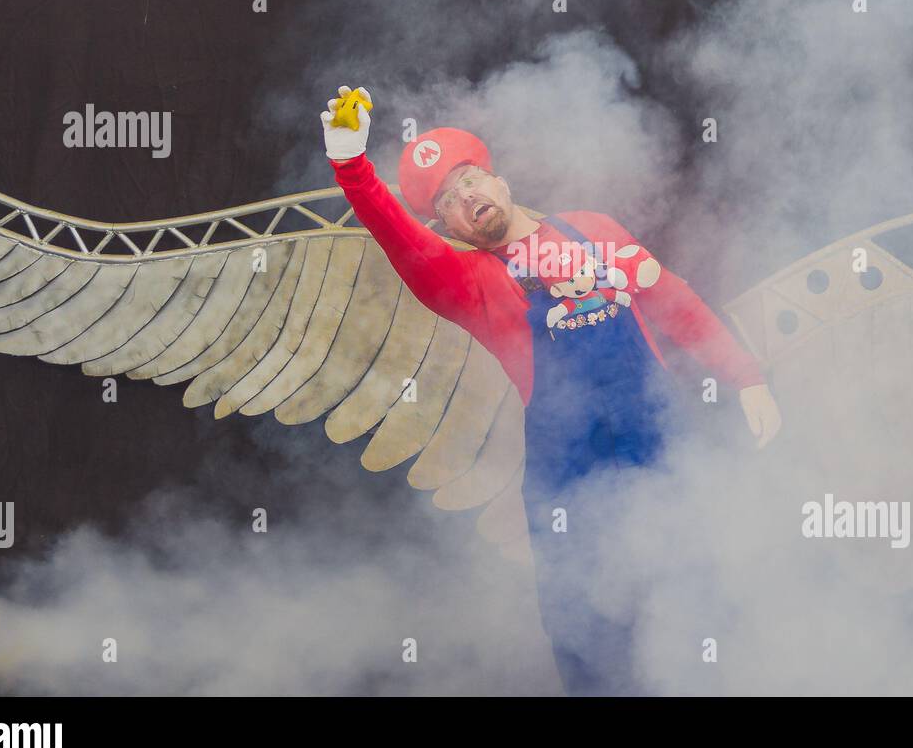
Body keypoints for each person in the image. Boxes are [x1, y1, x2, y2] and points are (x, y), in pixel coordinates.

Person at [321, 85, 781, 694]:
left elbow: (670, 298)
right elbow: (401, 240)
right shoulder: (466, 283)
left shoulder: (591, 228)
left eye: (470, 179)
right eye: (449, 200)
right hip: (569, 474)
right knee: (584, 622)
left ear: (500, 180)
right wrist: (352, 169)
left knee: (694, 600)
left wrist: (746, 377)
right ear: (448, 227)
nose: (467, 198)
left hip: (662, 442)